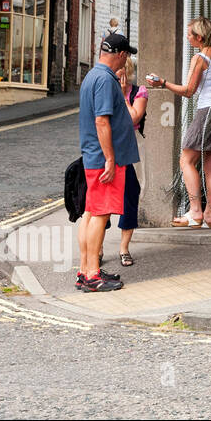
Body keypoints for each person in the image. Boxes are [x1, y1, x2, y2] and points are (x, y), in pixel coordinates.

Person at [76, 33, 140, 292]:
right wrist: (111, 159)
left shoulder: (93, 75)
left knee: (91, 214)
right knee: (100, 215)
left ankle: (85, 270)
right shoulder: (104, 79)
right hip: (104, 160)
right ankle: (92, 274)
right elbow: (102, 121)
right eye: (127, 55)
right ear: (122, 55)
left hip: (94, 157)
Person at [155, 17, 211, 228]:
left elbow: (188, 91)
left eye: (189, 35)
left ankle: (195, 211)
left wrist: (163, 83)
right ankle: (210, 215)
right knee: (210, 165)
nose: (188, 38)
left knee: (186, 159)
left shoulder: (199, 58)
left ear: (199, 37)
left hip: (207, 110)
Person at [113, 57, 149, 267]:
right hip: (110, 145)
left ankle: (124, 248)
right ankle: (97, 247)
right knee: (104, 198)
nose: (120, 75)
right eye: (118, 71)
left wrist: (123, 96)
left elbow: (134, 118)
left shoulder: (139, 92)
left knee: (131, 194)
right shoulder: (105, 89)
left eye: (124, 71)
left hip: (132, 146)